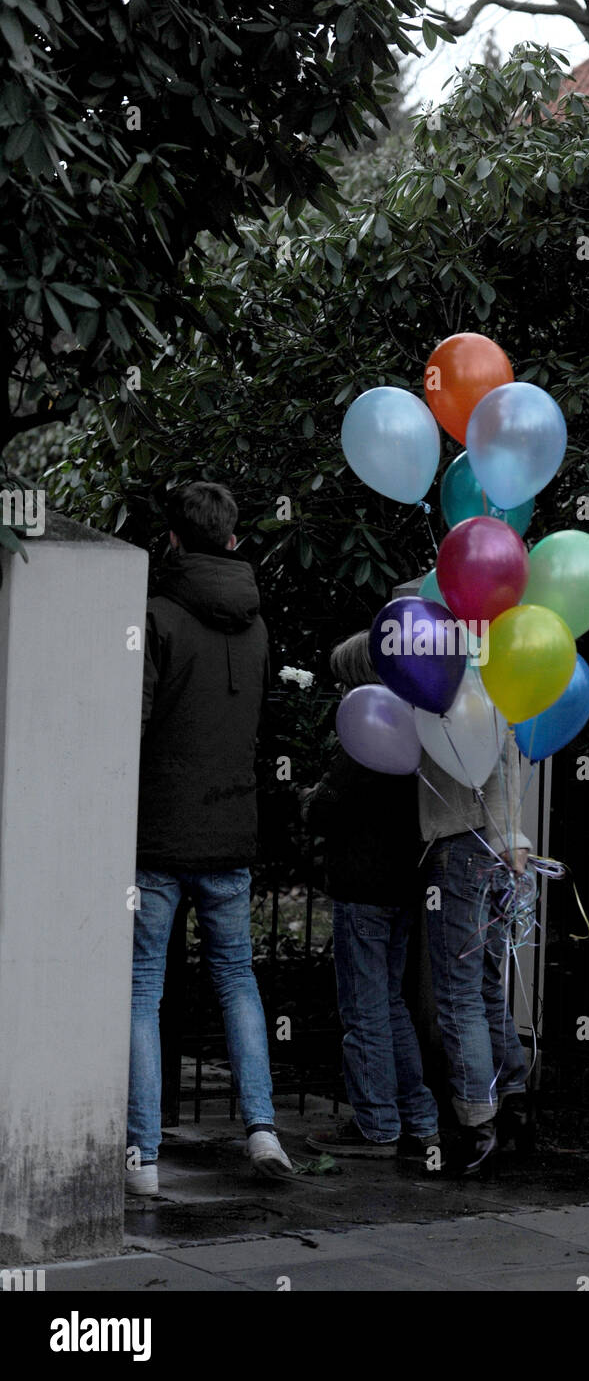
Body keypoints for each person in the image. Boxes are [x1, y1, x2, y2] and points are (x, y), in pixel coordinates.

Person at [126, 481, 294, 1196]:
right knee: (236, 981)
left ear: (171, 540)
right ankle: (262, 1129)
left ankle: (143, 1155)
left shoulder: (156, 617)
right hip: (231, 832)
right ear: (231, 541)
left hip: (158, 836)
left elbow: (130, 724)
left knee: (142, 991)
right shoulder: (255, 627)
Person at [302, 631, 440, 1159]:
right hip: (402, 884)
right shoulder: (416, 725)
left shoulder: (363, 734)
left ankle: (376, 1124)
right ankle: (418, 1116)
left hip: (361, 888)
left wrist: (308, 798)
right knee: (391, 1005)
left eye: (342, 680)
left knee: (363, 1010)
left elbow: (326, 808)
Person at [419, 732, 533, 1176]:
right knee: (485, 986)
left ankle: (477, 1126)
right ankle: (514, 1106)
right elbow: (505, 758)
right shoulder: (489, 680)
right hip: (500, 847)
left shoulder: (447, 680)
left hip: (461, 840)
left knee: (459, 992)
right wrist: (510, 833)